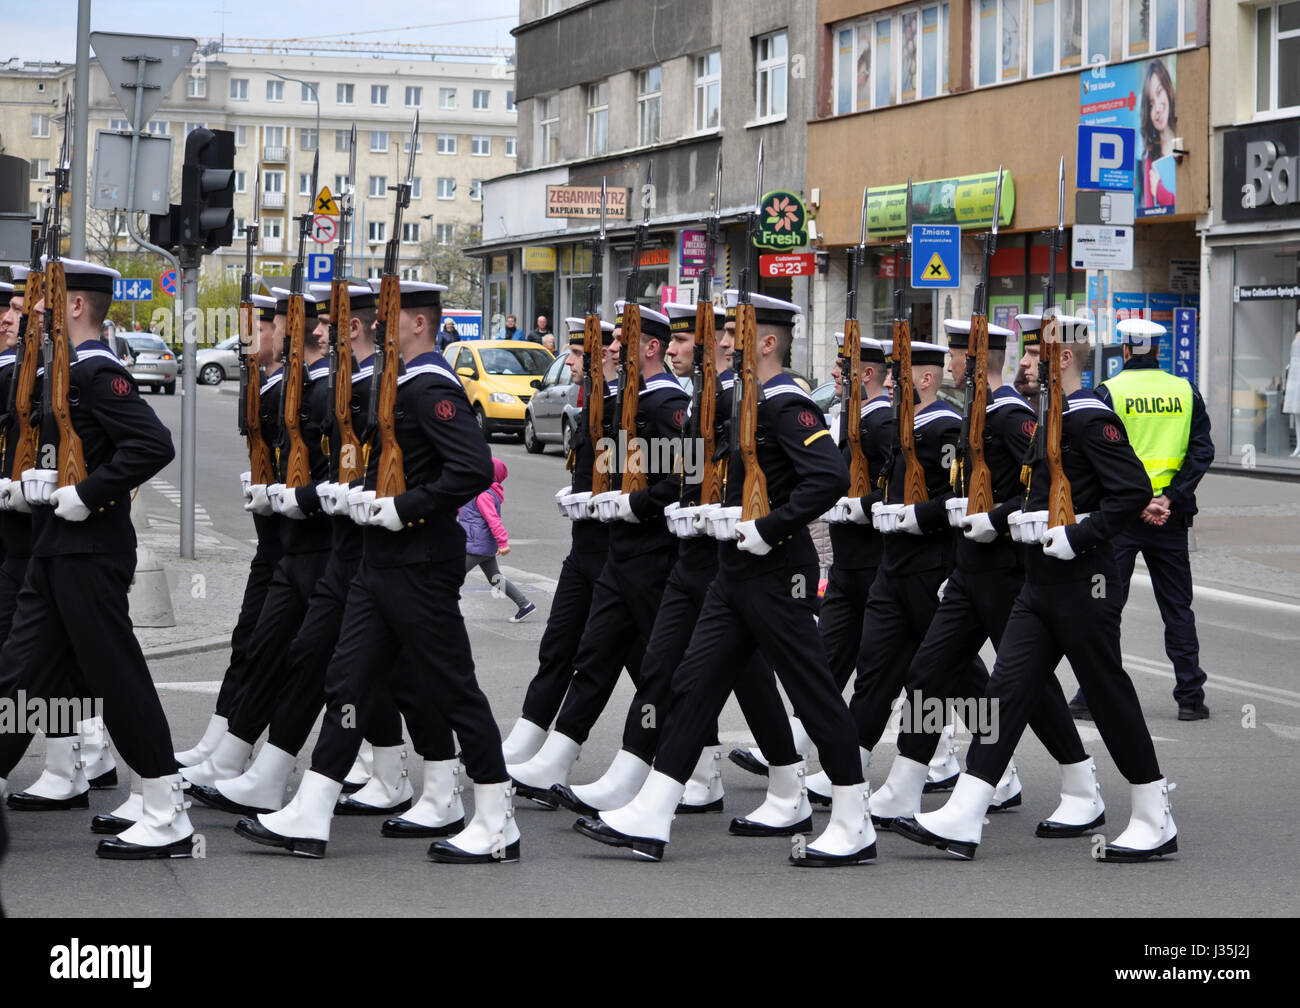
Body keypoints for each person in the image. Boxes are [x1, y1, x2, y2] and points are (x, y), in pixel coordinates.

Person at [574, 294, 876, 867]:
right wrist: (709, 513)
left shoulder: (787, 404)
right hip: (733, 569)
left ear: (766, 341)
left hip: (777, 570)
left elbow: (829, 477)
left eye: (737, 332)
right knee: (692, 683)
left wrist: (772, 525)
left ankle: (852, 818)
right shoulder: (744, 400)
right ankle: (654, 809)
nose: (723, 342)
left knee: (812, 693)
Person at [234, 279, 518, 864]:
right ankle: (312, 809)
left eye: (389, 317)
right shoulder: (396, 383)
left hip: (421, 561)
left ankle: (496, 818)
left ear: (417, 323)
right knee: (346, 681)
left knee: (453, 688)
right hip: (378, 559)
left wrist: (403, 507)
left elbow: (472, 468)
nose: (377, 327)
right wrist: (358, 495)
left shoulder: (431, 384)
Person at [893, 319, 1179, 863]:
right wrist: (1009, 518)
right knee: (1004, 692)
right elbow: (1043, 492)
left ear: (1064, 360)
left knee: (1107, 692)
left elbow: (1132, 492)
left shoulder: (1091, 418)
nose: (1024, 365)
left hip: (1084, 580)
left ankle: (1152, 812)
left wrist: (1080, 535)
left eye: (1033, 356)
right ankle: (967, 809)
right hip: (1039, 582)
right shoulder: (1051, 419)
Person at [868, 318, 1099, 837]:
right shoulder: (976, 413)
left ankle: (1081, 786)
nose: (948, 363)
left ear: (973, 361)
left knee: (1030, 687)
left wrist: (994, 519)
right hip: (968, 570)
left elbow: (1041, 489)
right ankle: (905, 782)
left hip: (1004, 572)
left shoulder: (1011, 415)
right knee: (928, 671)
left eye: (955, 355)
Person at [0, 259, 187, 860]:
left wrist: (87, 494)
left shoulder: (96, 370)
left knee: (116, 677)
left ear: (75, 306)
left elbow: (153, 445)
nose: (32, 311)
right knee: (19, 675)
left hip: (91, 550)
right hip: (56, 547)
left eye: (44, 300)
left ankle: (166, 807)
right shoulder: (62, 371)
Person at [506, 303, 688, 806]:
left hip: (654, 554)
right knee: (592, 657)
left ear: (649, 348)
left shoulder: (666, 403)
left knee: (667, 670)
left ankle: (692, 767)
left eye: (619, 341)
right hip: (618, 551)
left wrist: (632, 502)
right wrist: (591, 495)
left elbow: (683, 480)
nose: (609, 348)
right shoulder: (628, 400)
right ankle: (557, 756)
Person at [496, 317, 647, 767]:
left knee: (634, 662)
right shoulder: (594, 403)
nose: (571, 362)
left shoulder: (633, 405)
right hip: (585, 550)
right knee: (560, 645)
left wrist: (616, 501)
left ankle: (695, 757)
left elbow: (664, 474)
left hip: (618, 553)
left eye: (579, 354)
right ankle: (532, 732)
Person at [1068, 317, 1214, 721]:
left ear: (1125, 351)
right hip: (1172, 516)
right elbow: (1202, 452)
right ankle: (1190, 698)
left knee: (1105, 606)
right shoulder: (1185, 391)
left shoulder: (1108, 392)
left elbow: (1097, 455)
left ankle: (1089, 695)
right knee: (1177, 607)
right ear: (1159, 352)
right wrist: (1169, 497)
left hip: (1120, 519)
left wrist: (1139, 500)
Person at [460, 457, 535, 622]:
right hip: (481, 545)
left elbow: (494, 521)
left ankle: (444, 612)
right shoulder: (477, 491)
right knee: (495, 578)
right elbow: (464, 510)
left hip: (477, 546)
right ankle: (525, 604)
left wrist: (503, 543)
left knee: (451, 576)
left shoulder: (484, 495)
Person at [1138, 59, 1177, 210]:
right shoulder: (1151, 160)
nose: (1158, 109)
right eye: (1151, 103)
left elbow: (1190, 202)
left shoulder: (1186, 143)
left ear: (1168, 90)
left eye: (1159, 92)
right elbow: (1149, 213)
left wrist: (1161, 193)